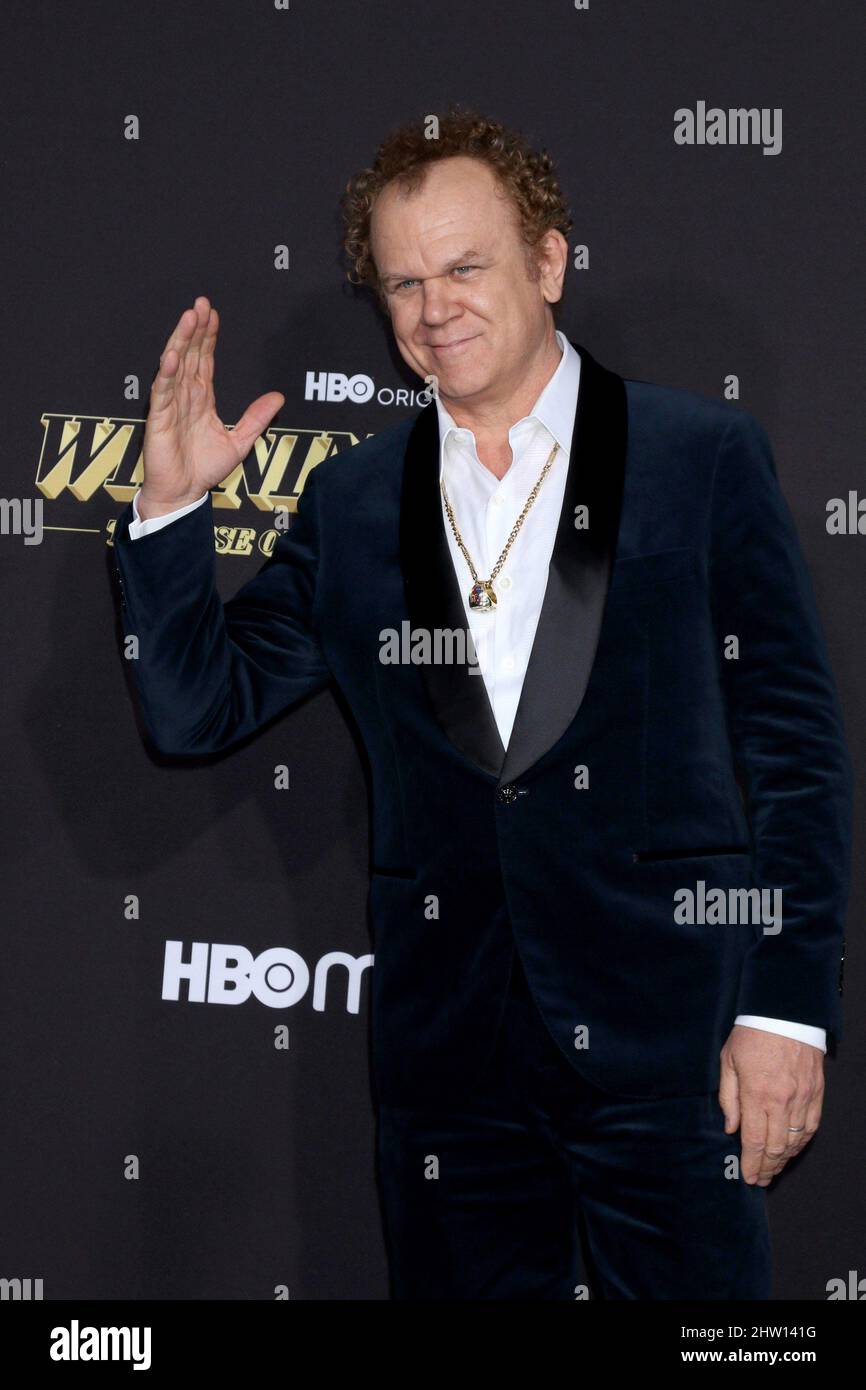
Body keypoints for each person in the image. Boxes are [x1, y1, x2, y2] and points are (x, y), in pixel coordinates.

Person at [111, 108, 852, 1299]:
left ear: (547, 263)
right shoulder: (354, 502)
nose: (432, 307)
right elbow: (192, 710)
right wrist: (170, 512)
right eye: (403, 282)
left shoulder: (696, 453)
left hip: (674, 1047)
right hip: (449, 1063)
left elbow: (794, 753)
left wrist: (784, 1010)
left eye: (464, 267)